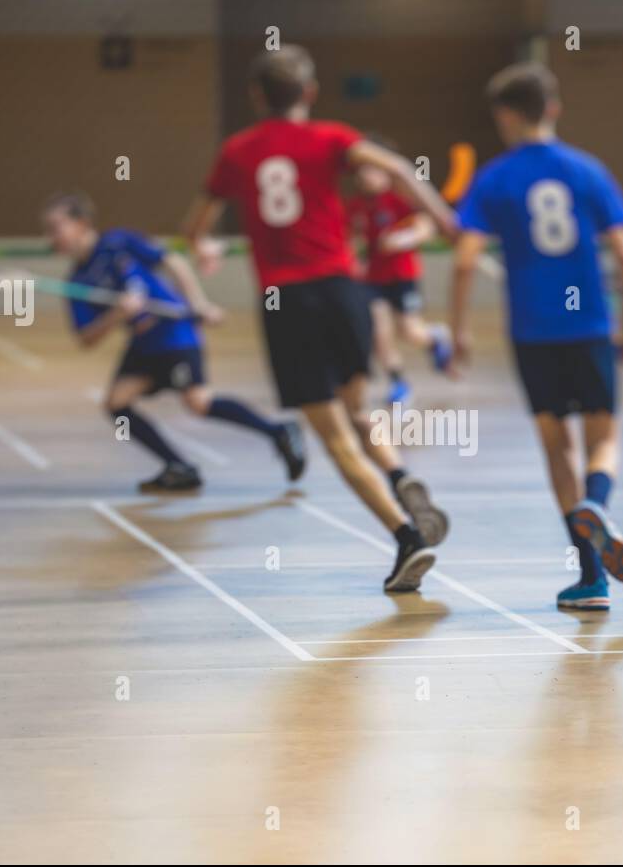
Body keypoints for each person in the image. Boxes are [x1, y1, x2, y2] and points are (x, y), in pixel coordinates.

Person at [182, 46, 458, 593]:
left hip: (287, 299)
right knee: (358, 410)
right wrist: (445, 220)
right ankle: (402, 477)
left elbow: (196, 225)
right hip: (342, 291)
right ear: (309, 93)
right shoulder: (333, 138)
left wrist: (206, 249)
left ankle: (407, 537)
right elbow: (399, 168)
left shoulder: (237, 151)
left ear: (256, 97)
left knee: (334, 437)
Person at [448, 62, 623, 611]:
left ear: (504, 115)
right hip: (589, 328)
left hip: (533, 332)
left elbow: (465, 261)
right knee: (603, 438)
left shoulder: (495, 178)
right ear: (554, 108)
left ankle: (590, 578)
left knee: (557, 446)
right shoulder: (587, 170)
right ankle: (600, 503)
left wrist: (459, 332)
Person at [42, 191, 305, 492]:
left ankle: (279, 431)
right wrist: (117, 314)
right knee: (117, 402)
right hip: (142, 342)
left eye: (56, 227)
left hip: (174, 332)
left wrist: (199, 304)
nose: (52, 237)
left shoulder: (119, 243)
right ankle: (178, 466)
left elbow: (173, 261)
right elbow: (85, 339)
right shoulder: (77, 281)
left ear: (82, 223)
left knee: (199, 402)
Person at [345, 135, 452, 407]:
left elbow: (424, 228)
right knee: (378, 330)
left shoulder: (400, 199)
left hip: (402, 275)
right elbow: (352, 238)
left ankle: (434, 338)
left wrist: (401, 240)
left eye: (372, 169)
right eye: (361, 171)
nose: (365, 176)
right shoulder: (355, 205)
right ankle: (397, 382)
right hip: (371, 280)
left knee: (410, 331)